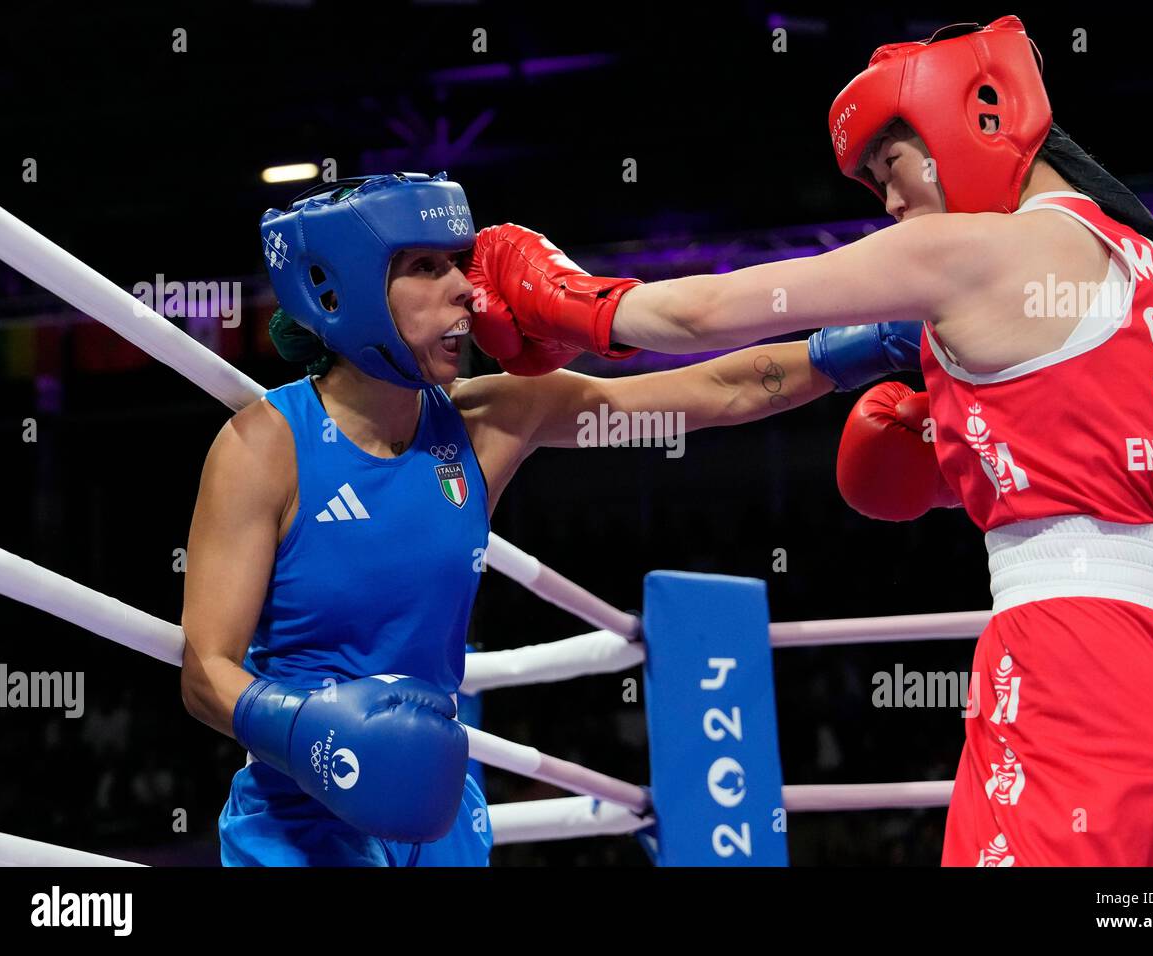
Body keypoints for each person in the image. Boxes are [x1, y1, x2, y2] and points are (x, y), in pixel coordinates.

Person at [468, 16, 1153, 865]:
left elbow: (703, 314)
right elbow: (768, 379)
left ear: (974, 117)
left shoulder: (976, 255)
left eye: (891, 168)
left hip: (1071, 672)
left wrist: (567, 299)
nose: (890, 203)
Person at [179, 171, 905, 866]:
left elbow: (720, 390)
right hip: (302, 806)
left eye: (460, 262)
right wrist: (315, 736)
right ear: (344, 288)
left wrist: (877, 342)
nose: (465, 287)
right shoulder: (265, 445)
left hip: (438, 802)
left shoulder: (492, 420)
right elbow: (206, 672)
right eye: (427, 267)